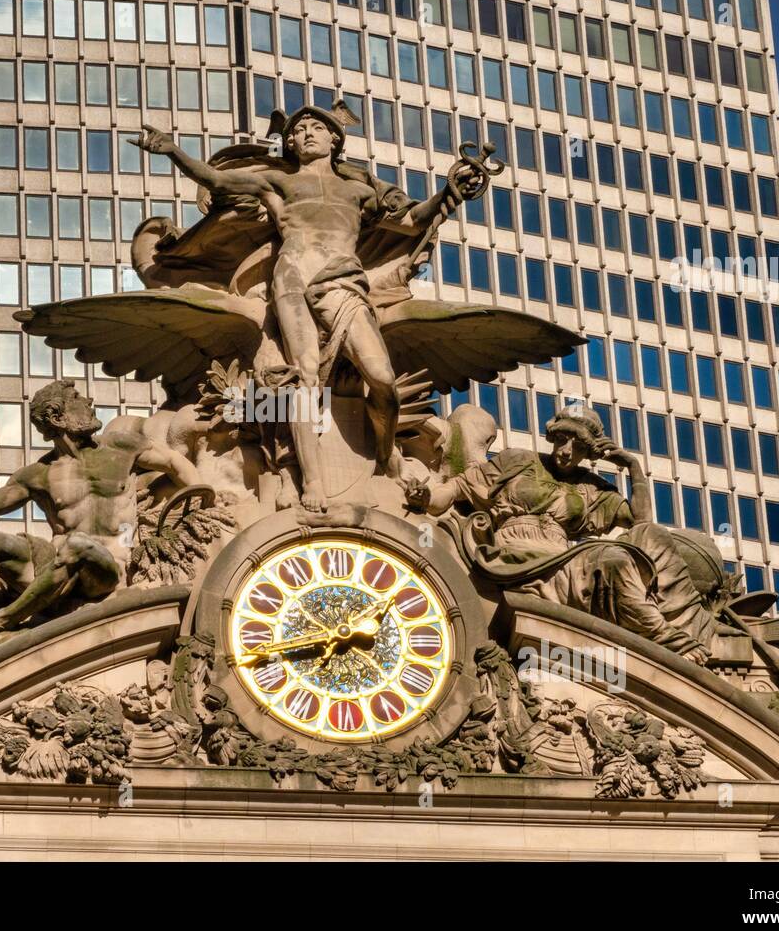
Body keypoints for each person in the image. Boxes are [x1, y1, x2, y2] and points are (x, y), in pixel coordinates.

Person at [132, 107, 486, 510]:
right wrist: (174, 151)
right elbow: (217, 179)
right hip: (293, 279)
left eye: (317, 127)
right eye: (298, 130)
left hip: (343, 283)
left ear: (335, 139)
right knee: (303, 381)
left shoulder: (360, 192)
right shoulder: (278, 182)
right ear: (290, 142)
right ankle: (311, 481)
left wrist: (449, 191)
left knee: (382, 377)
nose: (307, 134)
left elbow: (412, 221)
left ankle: (386, 451)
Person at [0, 381, 200, 677]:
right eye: (77, 399)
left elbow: (176, 464)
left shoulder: (120, 446)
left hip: (105, 571)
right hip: (51, 569)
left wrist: (206, 495)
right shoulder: (38, 474)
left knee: (78, 545)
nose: (89, 401)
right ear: (58, 418)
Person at [406, 406, 714, 664]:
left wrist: (632, 467)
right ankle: (665, 638)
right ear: (554, 437)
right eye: (563, 441)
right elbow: (455, 489)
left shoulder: (591, 488)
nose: (567, 451)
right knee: (617, 563)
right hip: (515, 554)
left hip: (565, 557)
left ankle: (673, 626)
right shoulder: (518, 461)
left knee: (634, 548)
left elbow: (640, 522)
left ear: (588, 452)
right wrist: (426, 497)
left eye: (577, 447)